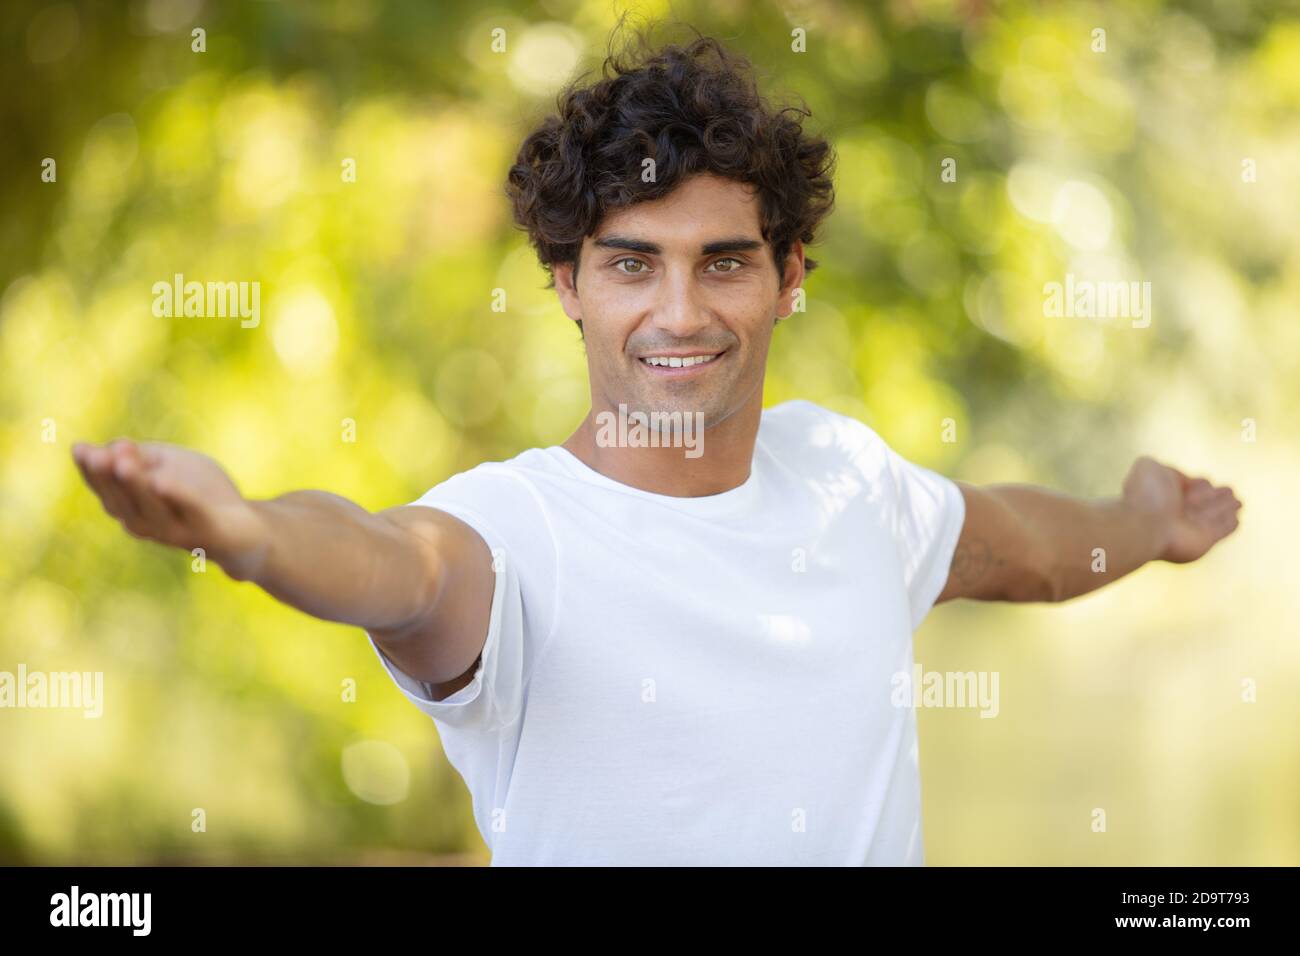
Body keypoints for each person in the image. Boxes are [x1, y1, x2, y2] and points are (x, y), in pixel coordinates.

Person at [71, 34, 1241, 865]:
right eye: (632, 262)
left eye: (722, 260)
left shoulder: (845, 475)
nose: (679, 312)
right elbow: (389, 558)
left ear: (790, 279)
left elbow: (1028, 550)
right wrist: (250, 530)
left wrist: (1146, 518)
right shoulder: (511, 533)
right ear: (568, 283)